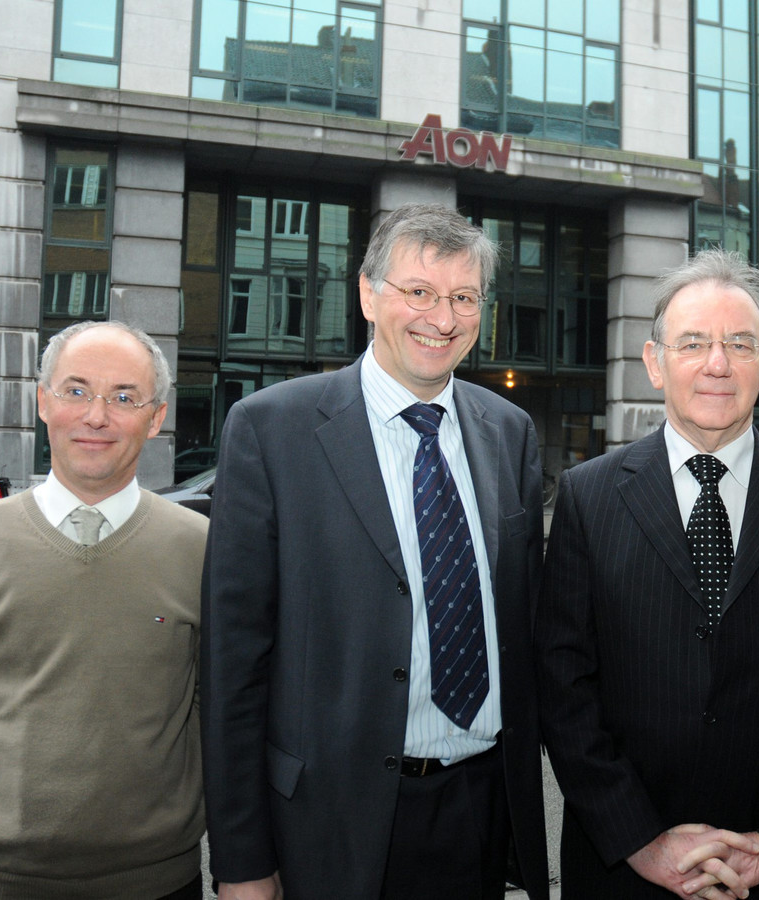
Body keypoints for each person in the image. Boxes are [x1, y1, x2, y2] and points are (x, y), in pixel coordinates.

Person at [200, 203, 548, 900]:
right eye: (418, 292)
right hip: (331, 823)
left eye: (462, 298)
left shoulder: (509, 432)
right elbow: (231, 665)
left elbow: (527, 628)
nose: (440, 318)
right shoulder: (272, 431)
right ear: (367, 293)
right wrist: (241, 860)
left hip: (481, 810)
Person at [536, 248, 759, 900]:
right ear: (654, 362)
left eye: (739, 344)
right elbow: (563, 690)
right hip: (623, 867)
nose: (717, 364)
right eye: (692, 342)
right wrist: (641, 841)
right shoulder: (588, 497)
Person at [0, 321, 210, 899]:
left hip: (158, 882)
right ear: (43, 402)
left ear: (156, 417)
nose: (97, 416)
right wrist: (3, 790)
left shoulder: (203, 550)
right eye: (76, 390)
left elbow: (217, 713)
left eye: (123, 397)